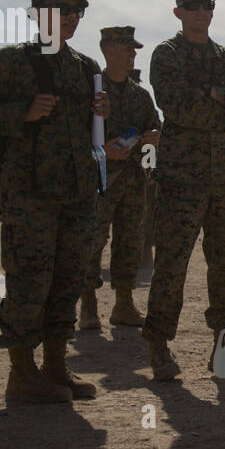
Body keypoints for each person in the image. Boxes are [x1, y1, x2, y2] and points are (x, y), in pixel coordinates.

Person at [0, 0, 109, 404]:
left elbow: (93, 132)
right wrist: (21, 112)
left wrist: (102, 113)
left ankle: (56, 367)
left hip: (78, 190)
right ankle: (22, 374)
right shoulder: (7, 62)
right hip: (29, 193)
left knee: (68, 279)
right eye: (63, 11)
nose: (71, 19)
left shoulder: (86, 68)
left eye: (76, 12)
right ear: (39, 15)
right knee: (29, 280)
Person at [142, 0, 225, 381]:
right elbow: (177, 107)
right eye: (193, 5)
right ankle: (159, 345)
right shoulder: (167, 55)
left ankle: (224, 348)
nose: (201, 12)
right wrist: (221, 98)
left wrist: (216, 93)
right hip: (181, 179)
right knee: (172, 264)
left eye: (207, 4)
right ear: (178, 11)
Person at [78, 27, 160, 330]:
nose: (133, 54)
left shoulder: (140, 95)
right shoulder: (92, 91)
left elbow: (154, 129)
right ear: (109, 50)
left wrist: (154, 141)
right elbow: (73, 135)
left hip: (134, 182)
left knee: (130, 243)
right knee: (93, 242)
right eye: (128, 48)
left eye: (134, 49)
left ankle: (123, 305)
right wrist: (101, 151)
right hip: (100, 181)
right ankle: (88, 306)